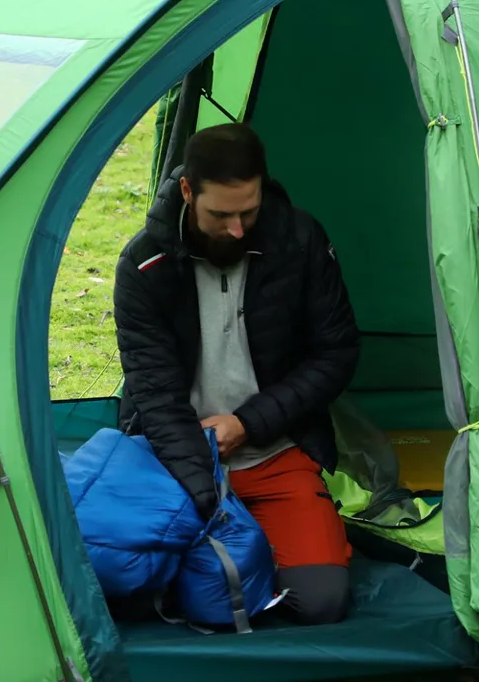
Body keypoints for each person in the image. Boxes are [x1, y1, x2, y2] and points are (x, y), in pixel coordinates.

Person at [113, 123, 360, 624]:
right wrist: (209, 503)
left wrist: (248, 424)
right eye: (220, 215)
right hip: (172, 457)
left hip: (274, 449)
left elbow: (335, 354)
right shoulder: (145, 265)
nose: (237, 229)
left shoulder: (301, 240)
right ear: (187, 191)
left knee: (321, 600)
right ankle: (229, 554)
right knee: (126, 582)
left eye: (249, 211)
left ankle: (252, 549)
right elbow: (155, 395)